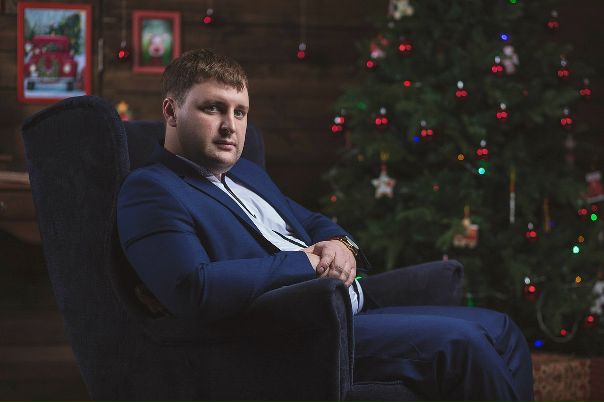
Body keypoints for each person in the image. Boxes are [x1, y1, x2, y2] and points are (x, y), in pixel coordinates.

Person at [117, 49, 534, 402]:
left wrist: (339, 245)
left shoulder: (246, 174)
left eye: (240, 112)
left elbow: (314, 221)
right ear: (171, 111)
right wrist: (307, 261)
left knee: (503, 329)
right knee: (464, 346)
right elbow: (194, 288)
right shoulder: (152, 189)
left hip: (351, 307)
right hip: (299, 334)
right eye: (213, 108)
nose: (231, 126)